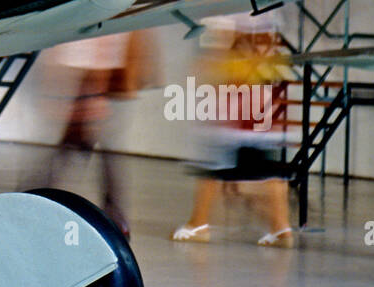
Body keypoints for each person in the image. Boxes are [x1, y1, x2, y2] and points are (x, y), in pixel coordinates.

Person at [172, 17, 294, 247]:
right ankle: (281, 228)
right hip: (262, 105)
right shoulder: (268, 18)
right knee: (267, 170)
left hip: (238, 110)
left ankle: (198, 224)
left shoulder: (233, 16)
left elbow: (222, 54)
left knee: (213, 169)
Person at [46, 30, 149, 236]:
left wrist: (96, 91)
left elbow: (103, 50)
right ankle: (115, 216)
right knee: (83, 148)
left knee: (81, 149)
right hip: (95, 77)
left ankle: (115, 216)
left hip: (100, 78)